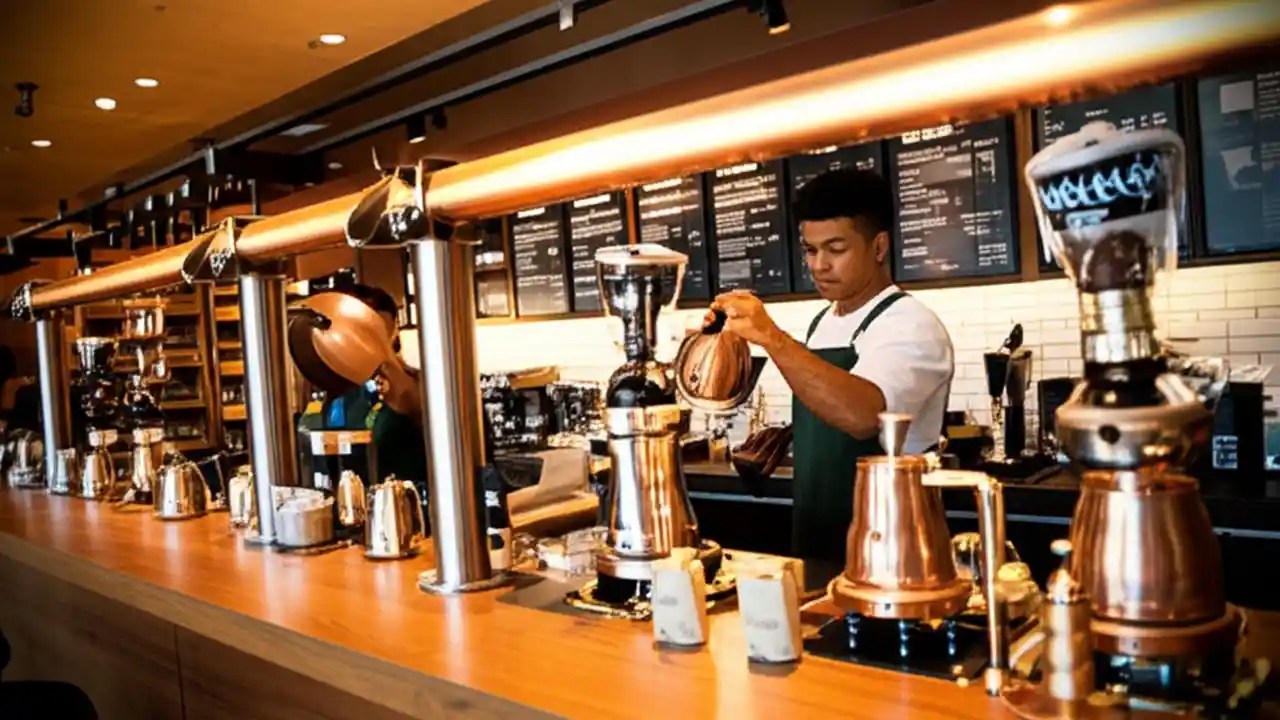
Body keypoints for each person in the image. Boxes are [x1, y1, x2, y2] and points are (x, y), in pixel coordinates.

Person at [709, 168, 954, 563]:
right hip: (817, 538)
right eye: (810, 249)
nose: (819, 264)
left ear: (879, 247)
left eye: (836, 249)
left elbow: (863, 415)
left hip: (891, 551)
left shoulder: (911, 323)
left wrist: (771, 336)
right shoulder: (823, 322)